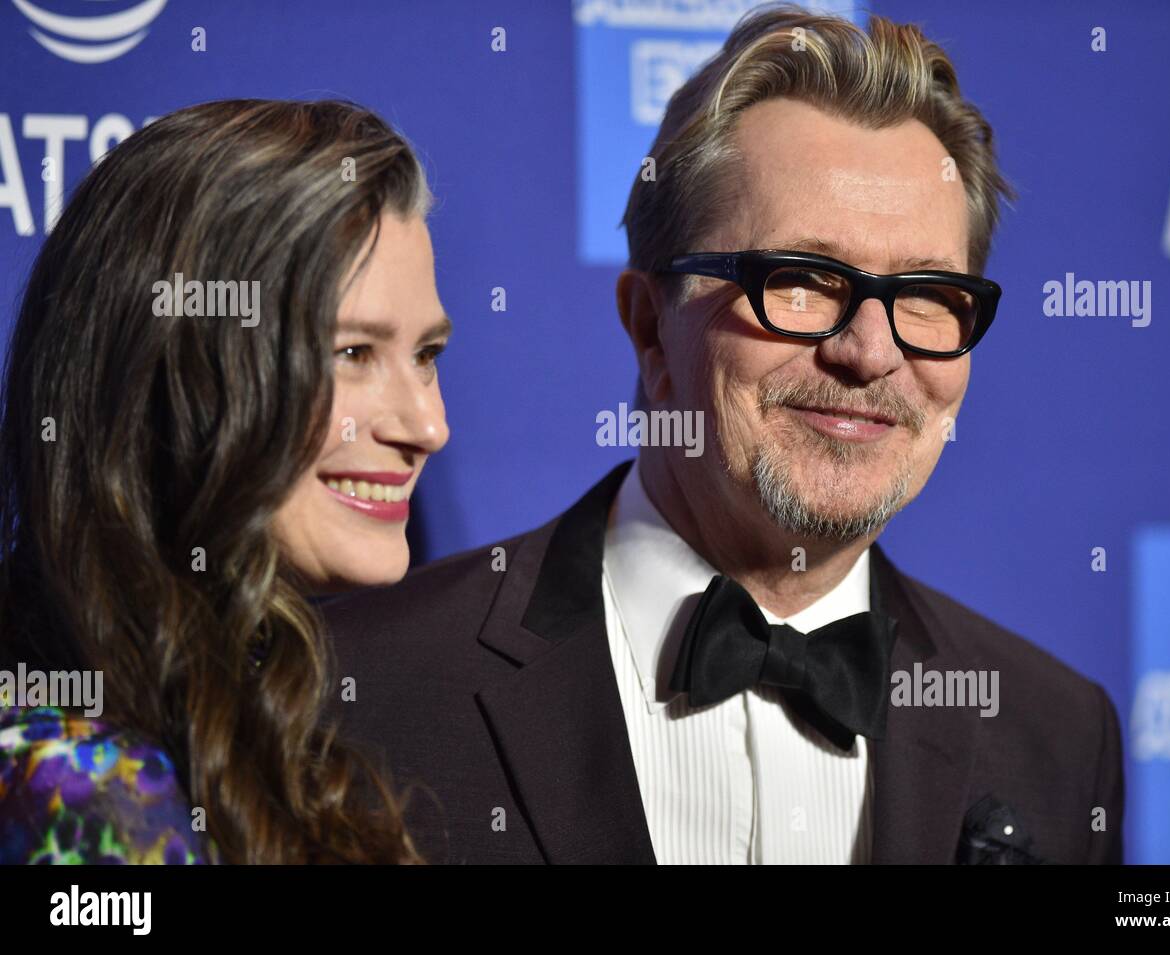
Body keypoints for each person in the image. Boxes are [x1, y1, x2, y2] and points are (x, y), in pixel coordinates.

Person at [326, 6, 1124, 864]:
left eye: (927, 293)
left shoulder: (1055, 734)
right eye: (802, 281)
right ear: (647, 327)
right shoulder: (358, 692)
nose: (870, 352)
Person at [0, 99, 451, 864]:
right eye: (353, 354)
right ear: (177, 373)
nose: (426, 425)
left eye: (427, 354)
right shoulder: (78, 787)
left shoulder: (263, 722)